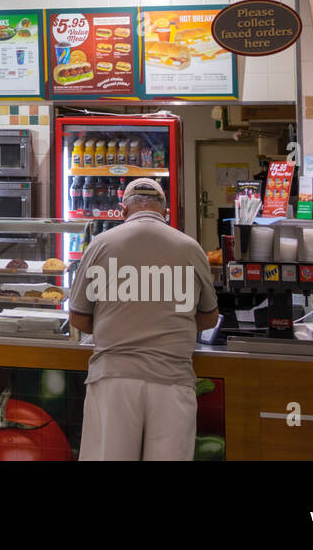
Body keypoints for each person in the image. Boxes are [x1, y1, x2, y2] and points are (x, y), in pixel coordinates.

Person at [68, 177, 218, 461]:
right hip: (172, 380)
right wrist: (171, 321)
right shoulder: (190, 247)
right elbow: (210, 318)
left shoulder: (100, 244)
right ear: (165, 212)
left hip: (113, 379)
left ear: (123, 211)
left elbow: (77, 317)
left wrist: (111, 320)